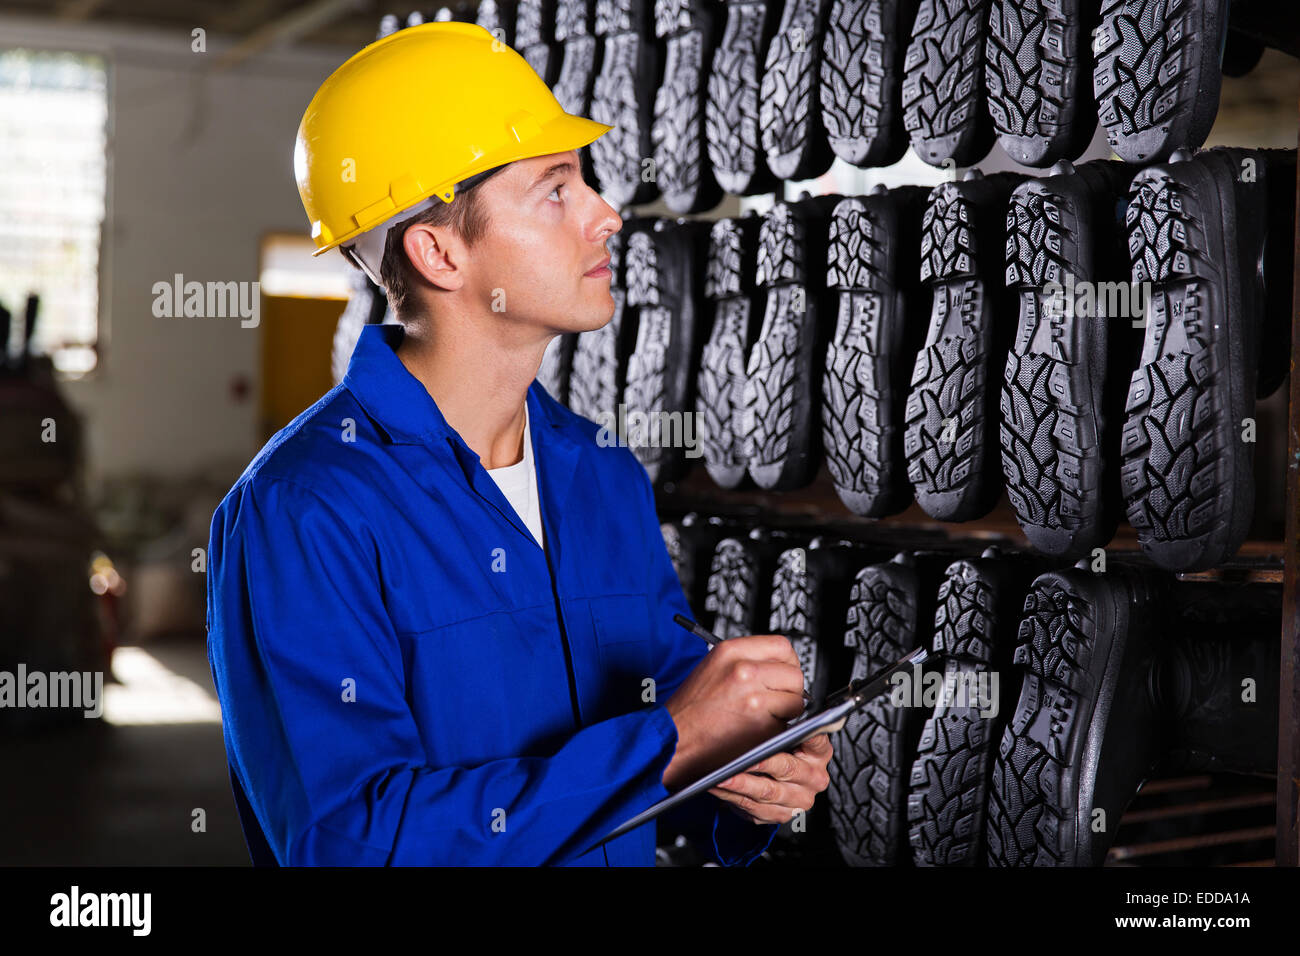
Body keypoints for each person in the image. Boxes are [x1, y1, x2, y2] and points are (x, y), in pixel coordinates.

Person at [206, 20, 832, 866]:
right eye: (555, 191)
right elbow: (349, 841)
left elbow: (668, 762)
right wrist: (669, 746)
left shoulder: (601, 472)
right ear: (439, 252)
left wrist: (745, 775)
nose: (608, 216)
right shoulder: (305, 510)